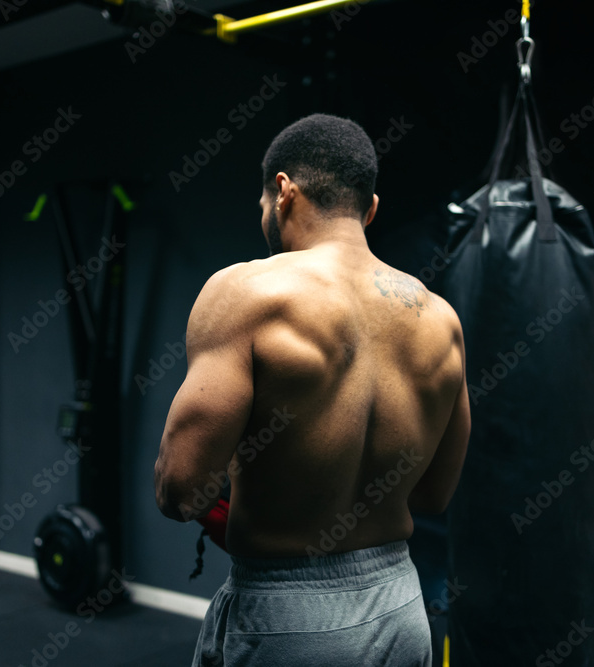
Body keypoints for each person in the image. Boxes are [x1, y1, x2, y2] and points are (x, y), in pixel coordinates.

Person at [154, 113, 471, 667]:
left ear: (282, 192)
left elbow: (180, 489)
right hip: (401, 607)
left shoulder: (245, 292)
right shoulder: (440, 319)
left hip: (289, 618)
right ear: (369, 209)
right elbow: (432, 496)